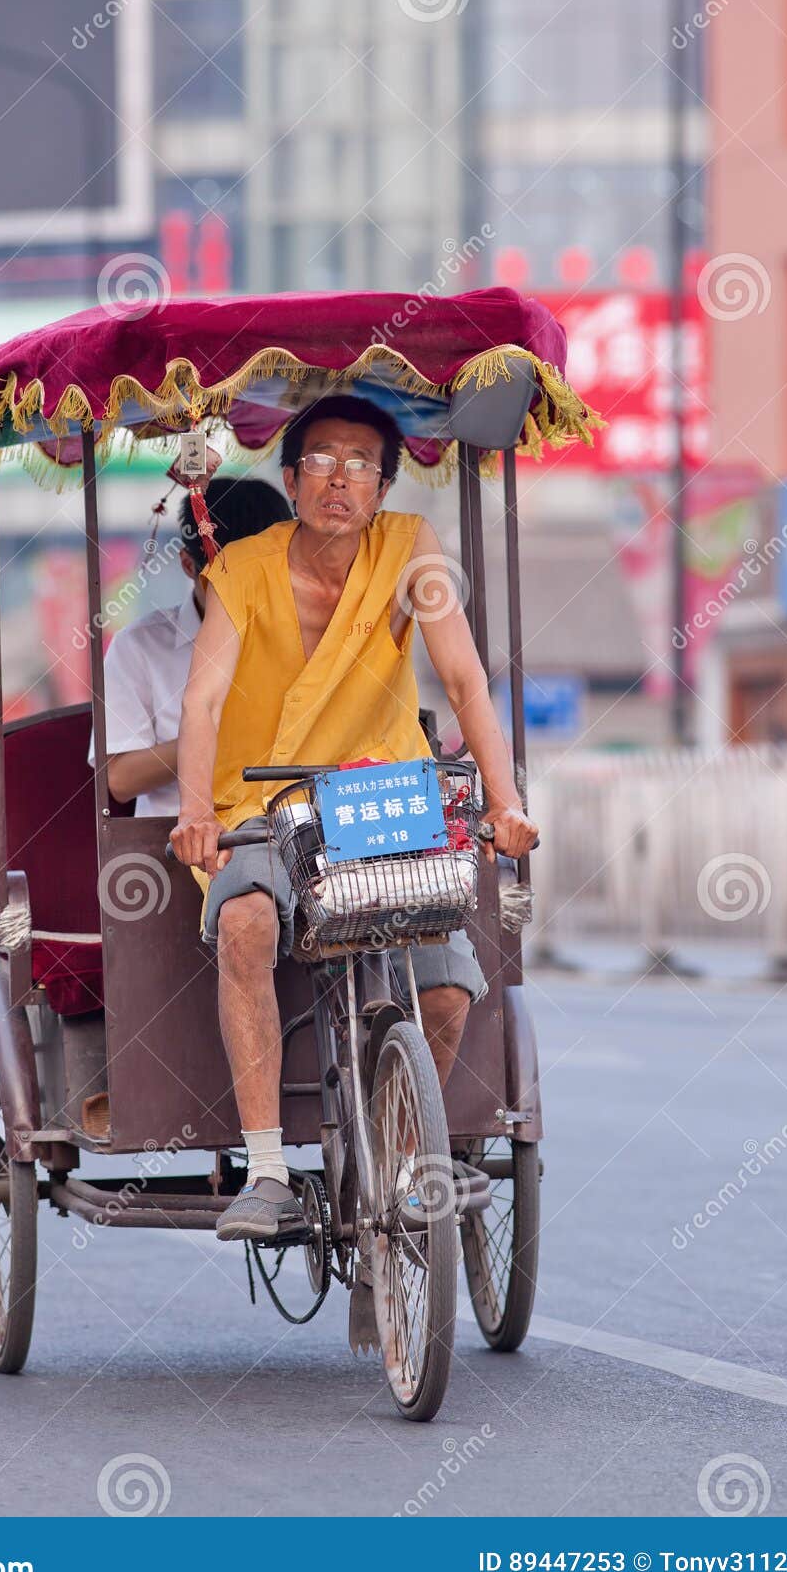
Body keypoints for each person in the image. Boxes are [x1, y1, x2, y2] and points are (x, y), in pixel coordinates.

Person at [169, 395, 539, 1241]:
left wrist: (506, 802)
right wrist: (193, 811)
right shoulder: (240, 570)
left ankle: (408, 1159)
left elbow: (466, 680)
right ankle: (265, 1171)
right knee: (247, 922)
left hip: (383, 801)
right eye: (323, 463)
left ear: (382, 487)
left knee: (446, 992)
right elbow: (202, 696)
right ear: (291, 479)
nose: (341, 481)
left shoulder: (411, 549)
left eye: (361, 466)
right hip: (261, 804)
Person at [89, 464, 293, 817]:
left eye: (263, 580)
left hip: (293, 837)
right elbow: (120, 779)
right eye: (228, 582)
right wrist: (213, 728)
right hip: (176, 846)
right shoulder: (140, 647)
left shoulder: (307, 631)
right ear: (187, 565)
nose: (245, 598)